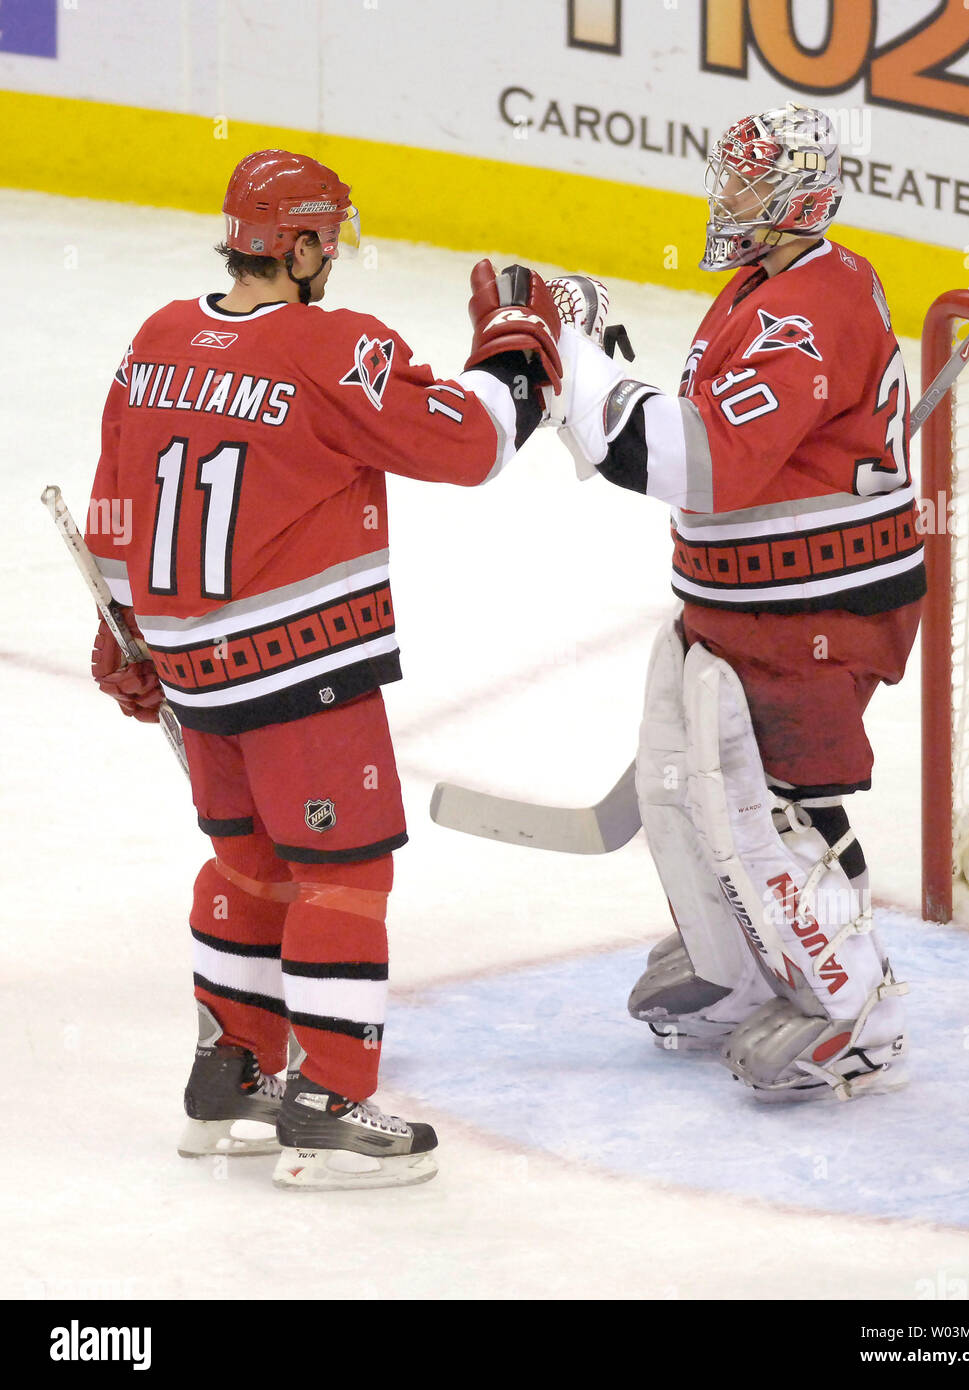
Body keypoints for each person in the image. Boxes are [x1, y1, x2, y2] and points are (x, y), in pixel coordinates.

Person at [86, 148, 563, 1186]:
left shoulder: (157, 339)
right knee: (343, 873)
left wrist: (118, 627)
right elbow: (470, 444)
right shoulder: (331, 349)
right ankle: (329, 1100)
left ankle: (231, 1074)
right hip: (298, 669)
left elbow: (114, 501)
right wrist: (520, 344)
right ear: (296, 243)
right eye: (327, 239)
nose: (334, 256)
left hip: (192, 672)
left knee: (247, 865)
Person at [549, 103, 921, 1101]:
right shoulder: (764, 283)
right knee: (685, 781)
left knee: (781, 805)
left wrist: (580, 377)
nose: (729, 198)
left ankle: (858, 1012)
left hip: (814, 607)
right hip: (746, 599)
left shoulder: (813, 305)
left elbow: (709, 462)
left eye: (750, 184)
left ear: (802, 191)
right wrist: (584, 382)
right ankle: (744, 968)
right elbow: (696, 431)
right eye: (731, 178)